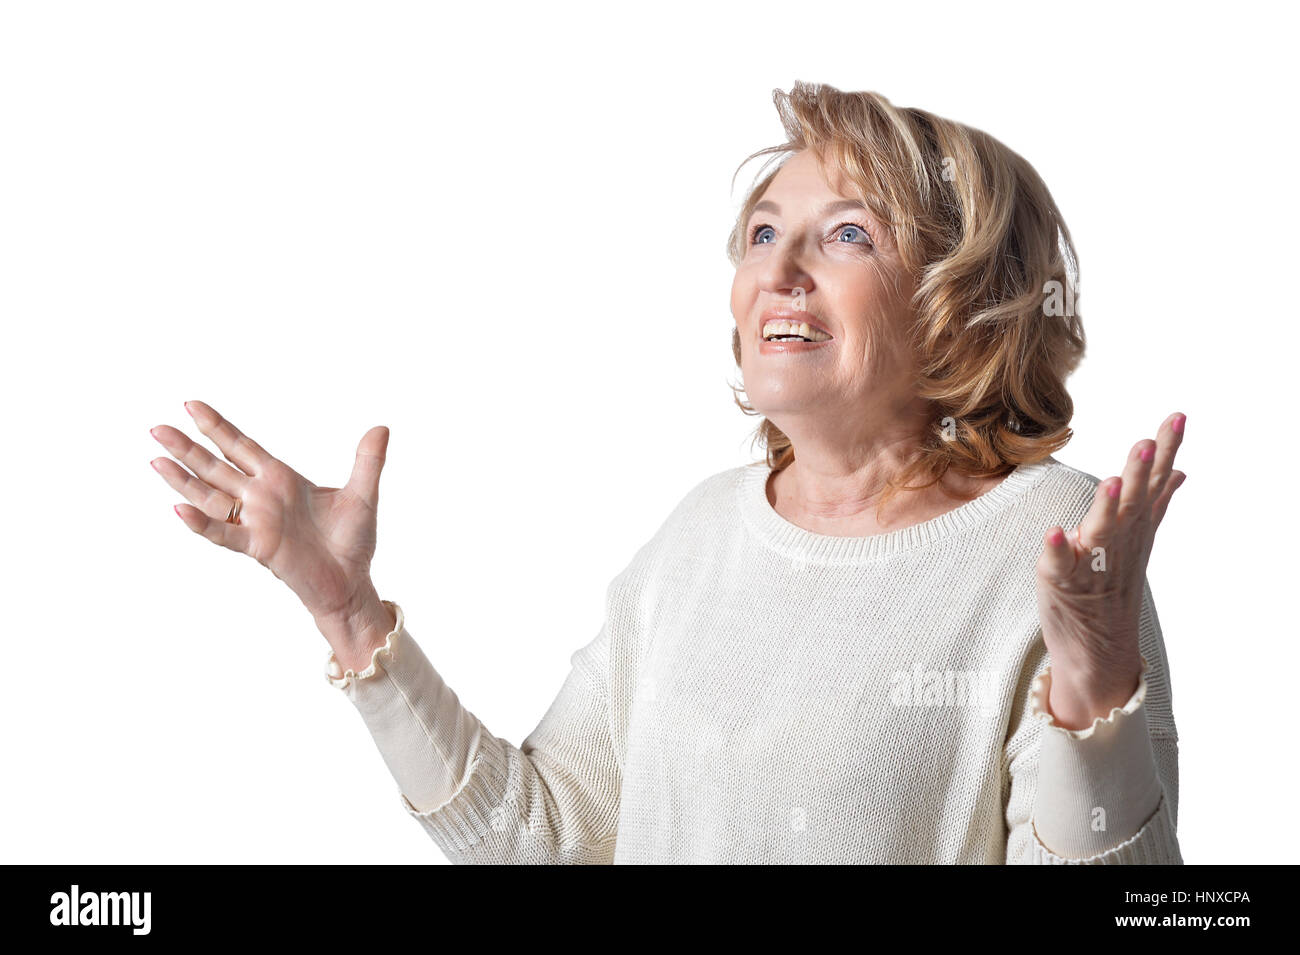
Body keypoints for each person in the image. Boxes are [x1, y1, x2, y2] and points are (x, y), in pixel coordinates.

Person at [149, 82, 1187, 864]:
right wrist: (347, 614)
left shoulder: (1051, 540)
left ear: (957, 304)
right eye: (765, 232)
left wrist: (1096, 690)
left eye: (848, 235)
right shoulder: (702, 533)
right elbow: (545, 834)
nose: (777, 269)